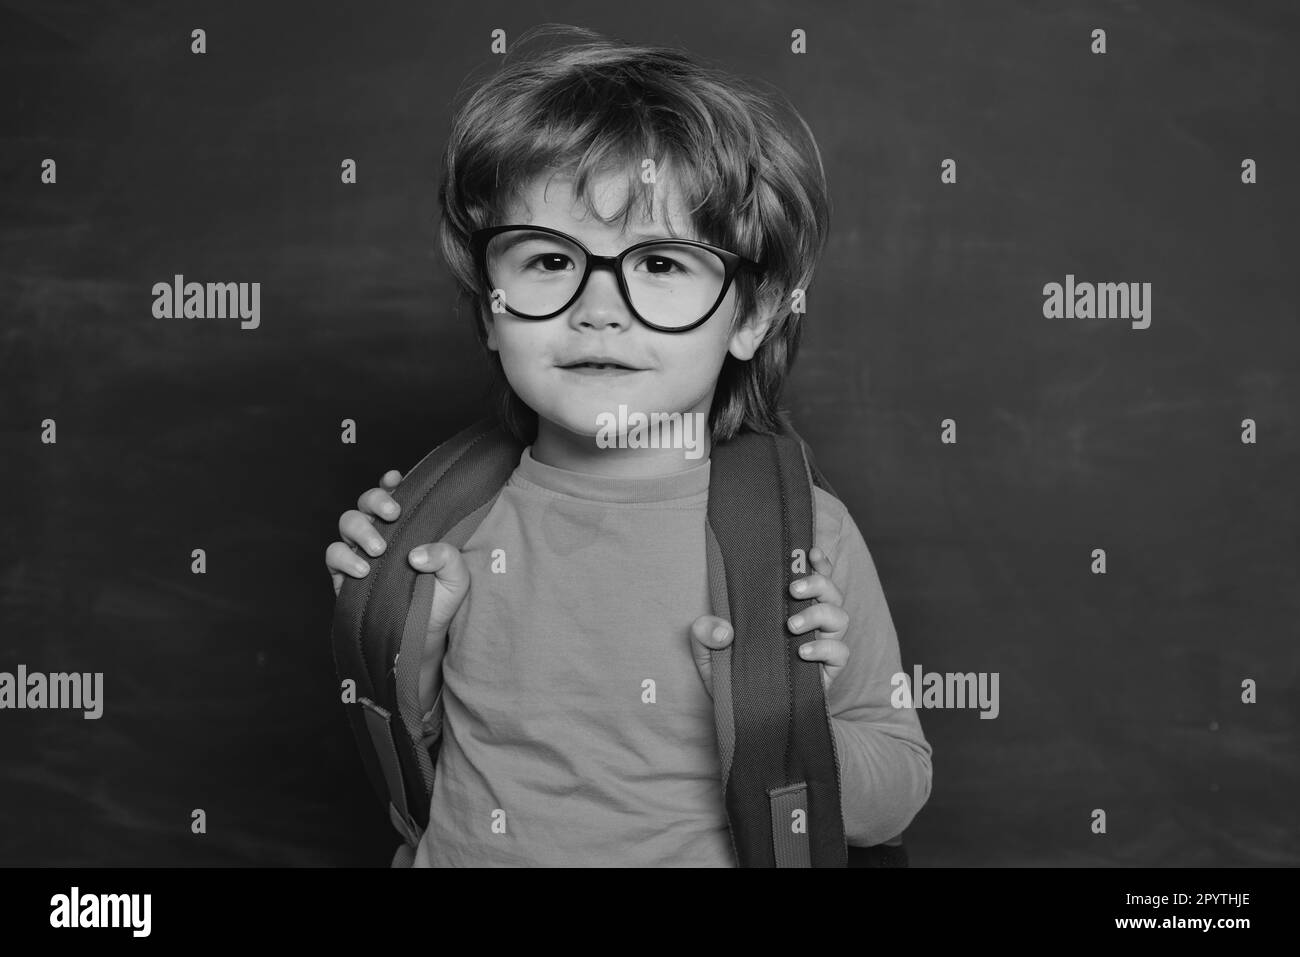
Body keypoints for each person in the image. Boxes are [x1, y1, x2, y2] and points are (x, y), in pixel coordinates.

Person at [324, 23, 932, 866]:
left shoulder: (802, 541)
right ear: (488, 306)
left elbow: (897, 784)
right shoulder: (441, 520)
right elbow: (420, 754)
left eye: (661, 264)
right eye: (545, 260)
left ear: (752, 316)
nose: (597, 307)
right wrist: (393, 624)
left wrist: (790, 717)